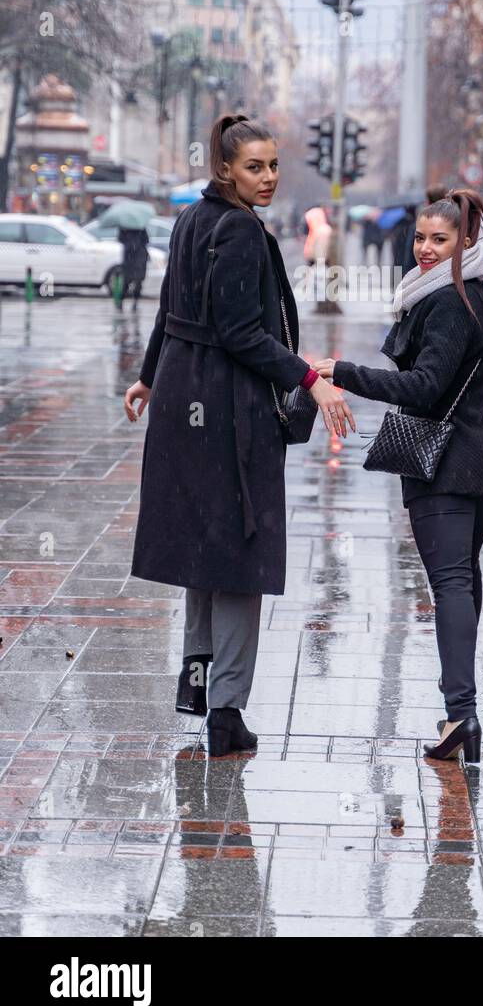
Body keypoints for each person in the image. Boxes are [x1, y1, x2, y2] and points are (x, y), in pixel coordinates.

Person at [124, 113, 356, 757]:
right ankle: (225, 711)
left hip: (181, 396)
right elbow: (241, 333)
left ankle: (199, 686)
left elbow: (171, 307)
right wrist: (311, 378)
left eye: (274, 166)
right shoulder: (241, 232)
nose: (269, 178)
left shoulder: (192, 220)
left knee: (203, 549)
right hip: (226, 407)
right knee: (240, 556)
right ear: (224, 169)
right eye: (255, 167)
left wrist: (148, 378)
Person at [314, 188, 483, 764]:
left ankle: (461, 713)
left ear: (467, 242)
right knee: (463, 578)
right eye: (420, 238)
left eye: (441, 239)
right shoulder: (478, 294)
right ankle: (460, 711)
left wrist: (343, 371)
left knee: (452, 582)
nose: (427, 250)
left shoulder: (445, 302)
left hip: (447, 463)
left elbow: (424, 389)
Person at [399, 184, 448, 277]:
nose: (425, 249)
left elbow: (408, 259)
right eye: (420, 238)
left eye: (439, 240)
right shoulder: (453, 224)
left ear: (427, 202)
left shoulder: (418, 225)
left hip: (421, 277)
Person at [118, 226, 149, 307]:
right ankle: (125, 301)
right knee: (128, 281)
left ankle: (133, 301)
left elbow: (146, 240)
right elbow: (146, 240)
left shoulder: (140, 227)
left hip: (136, 257)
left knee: (135, 281)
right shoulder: (125, 228)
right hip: (133, 257)